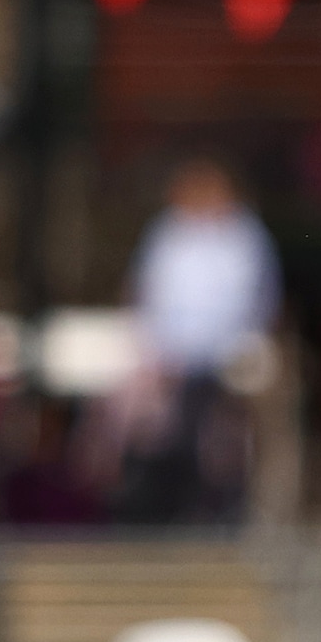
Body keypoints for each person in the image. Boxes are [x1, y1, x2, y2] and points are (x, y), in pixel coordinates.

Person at [123, 159, 277, 525]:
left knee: (225, 445)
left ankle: (224, 514)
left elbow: (257, 297)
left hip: (227, 358)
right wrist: (156, 348)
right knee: (169, 436)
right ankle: (169, 511)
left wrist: (238, 348)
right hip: (175, 359)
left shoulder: (244, 235)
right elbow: (148, 292)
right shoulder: (167, 234)